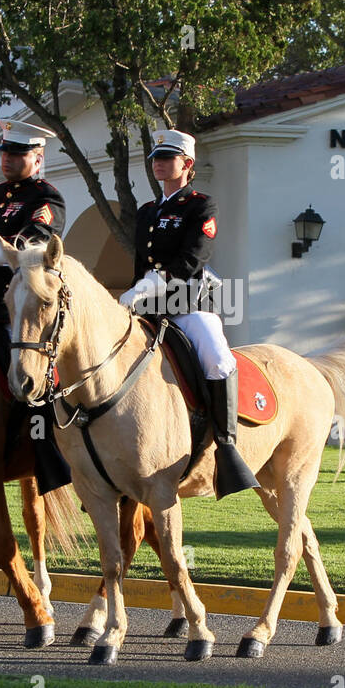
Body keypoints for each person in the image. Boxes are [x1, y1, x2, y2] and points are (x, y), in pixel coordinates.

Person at [119, 129, 259, 499]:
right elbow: (141, 262)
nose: (159, 163)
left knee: (218, 359)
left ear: (188, 165)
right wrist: (136, 292)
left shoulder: (200, 206)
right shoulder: (147, 211)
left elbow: (193, 259)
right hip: (149, 308)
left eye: (167, 157)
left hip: (189, 304)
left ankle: (227, 449)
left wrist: (148, 285)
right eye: (155, 158)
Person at [0, 119, 71, 493]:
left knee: (27, 377)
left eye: (17, 153)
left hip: (17, 304)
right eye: (5, 152)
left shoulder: (46, 198)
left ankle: (44, 454)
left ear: (37, 158)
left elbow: (32, 242)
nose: (7, 159)